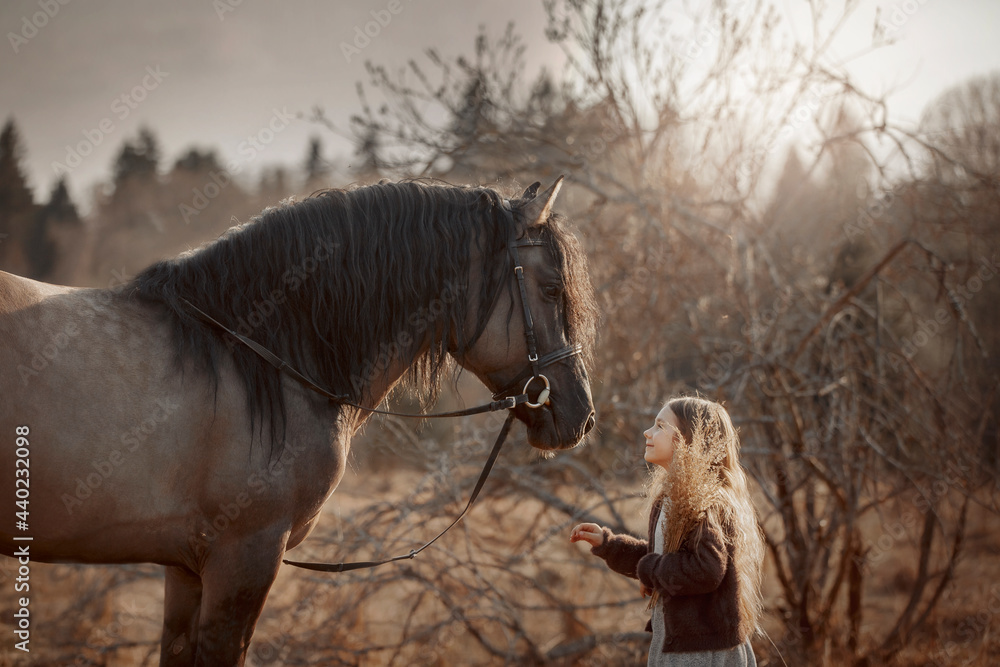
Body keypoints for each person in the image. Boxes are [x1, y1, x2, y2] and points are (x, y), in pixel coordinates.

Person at [570, 396, 765, 666]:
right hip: (678, 645)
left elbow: (706, 569)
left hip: (702, 653)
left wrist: (652, 571)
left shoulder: (705, 502)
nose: (647, 432)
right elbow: (658, 557)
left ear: (688, 439)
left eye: (660, 426)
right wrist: (609, 544)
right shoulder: (669, 499)